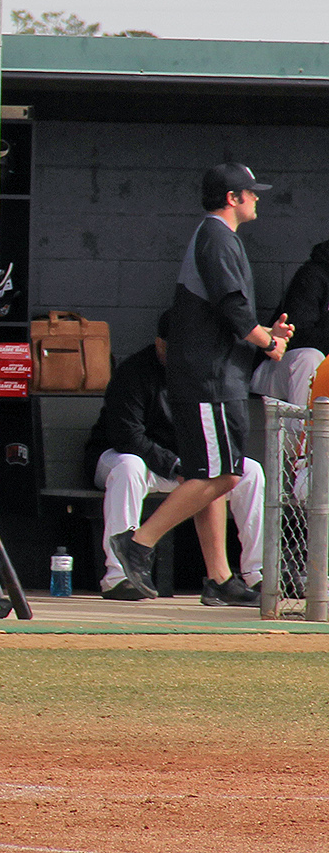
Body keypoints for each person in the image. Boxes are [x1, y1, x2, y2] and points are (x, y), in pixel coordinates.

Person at [110, 163, 292, 606]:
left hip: (209, 375)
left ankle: (218, 578)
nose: (257, 199)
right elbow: (232, 306)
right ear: (233, 198)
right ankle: (138, 543)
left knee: (206, 474)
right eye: (251, 193)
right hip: (211, 379)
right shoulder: (216, 236)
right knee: (227, 474)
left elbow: (229, 310)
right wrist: (268, 341)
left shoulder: (217, 237)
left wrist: (267, 336)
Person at [85, 310, 263, 602]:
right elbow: (127, 437)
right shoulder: (134, 371)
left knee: (250, 471)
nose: (185, 357)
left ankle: (257, 576)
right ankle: (118, 577)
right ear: (160, 344)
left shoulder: (203, 374)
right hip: (126, 460)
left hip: (184, 467)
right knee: (129, 467)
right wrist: (176, 465)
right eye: (177, 349)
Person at [251, 238, 329, 407]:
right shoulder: (313, 276)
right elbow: (298, 336)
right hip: (278, 365)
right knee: (309, 358)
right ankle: (303, 432)